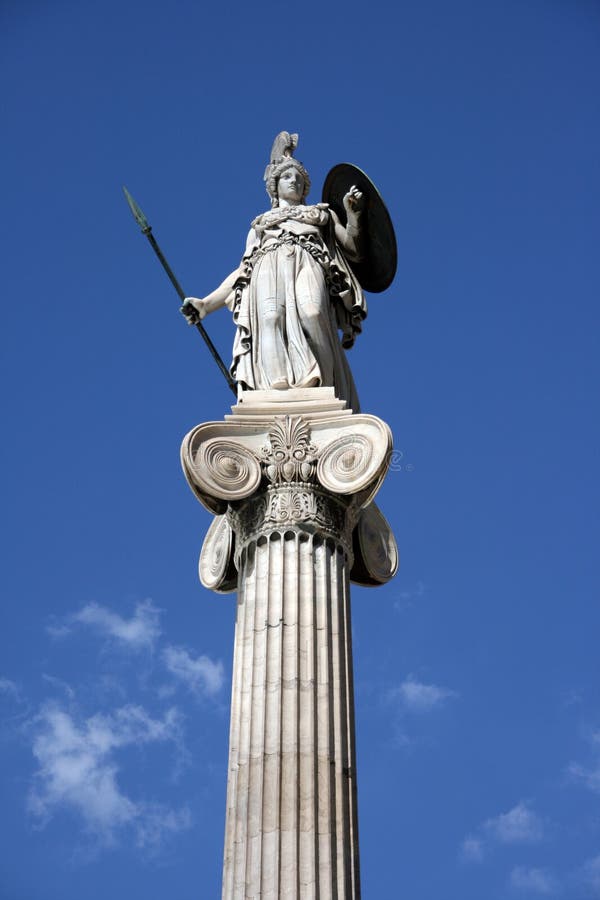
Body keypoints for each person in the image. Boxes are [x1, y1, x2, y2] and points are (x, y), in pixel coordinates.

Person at [181, 133, 367, 411]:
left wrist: (353, 217)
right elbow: (243, 271)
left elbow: (353, 249)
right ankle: (275, 386)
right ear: (275, 185)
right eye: (287, 176)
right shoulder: (260, 225)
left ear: (305, 187)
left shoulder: (321, 215)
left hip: (308, 260)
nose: (294, 180)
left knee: (313, 312)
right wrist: (206, 304)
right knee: (269, 318)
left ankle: (323, 387)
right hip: (268, 265)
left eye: (298, 177)